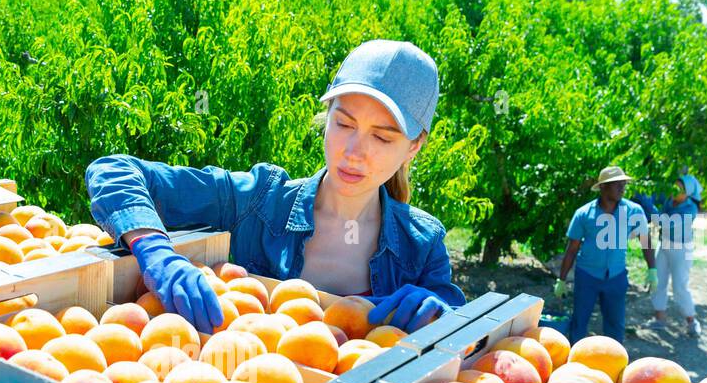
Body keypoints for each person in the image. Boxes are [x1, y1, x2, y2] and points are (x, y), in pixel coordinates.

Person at [84, 39, 466, 334]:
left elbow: (466, 335)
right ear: (326, 117)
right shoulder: (259, 201)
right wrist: (155, 252)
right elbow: (113, 171)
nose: (354, 152)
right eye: (344, 124)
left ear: (414, 146)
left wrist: (445, 318)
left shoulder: (421, 246)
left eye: (381, 138)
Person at [553, 165, 654, 344]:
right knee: (579, 322)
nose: (622, 188)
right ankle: (573, 364)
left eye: (623, 184)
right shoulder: (584, 214)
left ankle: (614, 365)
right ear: (603, 187)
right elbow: (572, 249)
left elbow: (645, 241)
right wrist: (561, 280)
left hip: (616, 276)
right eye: (617, 184)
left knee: (615, 325)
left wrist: (652, 270)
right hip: (587, 276)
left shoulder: (633, 211)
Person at [635, 174, 703, 338]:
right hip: (664, 244)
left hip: (681, 250)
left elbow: (664, 222)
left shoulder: (690, 209)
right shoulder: (669, 200)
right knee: (658, 281)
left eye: (680, 188)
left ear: (688, 193)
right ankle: (660, 319)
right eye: (674, 186)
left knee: (680, 286)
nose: (675, 190)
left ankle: (691, 321)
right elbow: (654, 194)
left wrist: (645, 202)